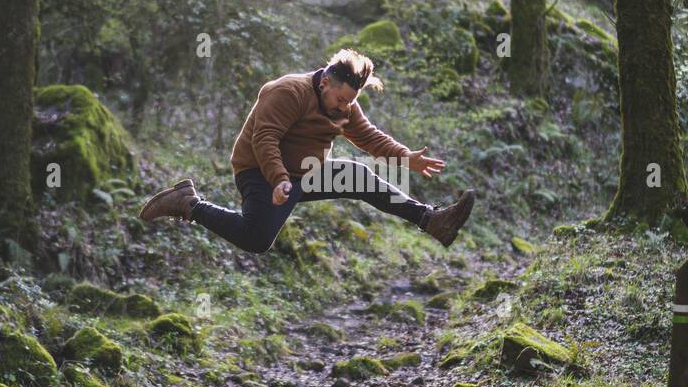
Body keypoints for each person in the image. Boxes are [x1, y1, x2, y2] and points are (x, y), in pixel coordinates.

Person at [139, 49, 475, 252]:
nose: (345, 108)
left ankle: (431, 220)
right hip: (259, 171)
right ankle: (188, 203)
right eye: (342, 100)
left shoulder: (345, 106)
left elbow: (369, 138)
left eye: (352, 102)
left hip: (306, 173)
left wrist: (406, 158)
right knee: (257, 240)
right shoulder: (288, 92)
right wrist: (279, 179)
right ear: (325, 82)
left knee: (356, 175)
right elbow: (264, 139)